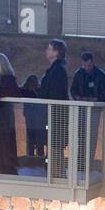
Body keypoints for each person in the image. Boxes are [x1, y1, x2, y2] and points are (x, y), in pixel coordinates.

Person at [39, 38, 70, 177]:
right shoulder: (56, 69)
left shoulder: (57, 71)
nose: (46, 50)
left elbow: (55, 94)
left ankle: (56, 175)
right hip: (52, 115)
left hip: (55, 117)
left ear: (56, 52)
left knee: (55, 147)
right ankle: (54, 174)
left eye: (50, 48)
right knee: (53, 147)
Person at [20, 73, 46, 159]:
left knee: (30, 135)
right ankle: (40, 155)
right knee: (39, 135)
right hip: (39, 116)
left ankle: (30, 155)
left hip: (29, 116)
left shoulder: (24, 91)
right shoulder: (39, 91)